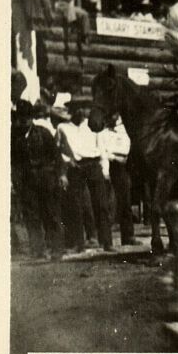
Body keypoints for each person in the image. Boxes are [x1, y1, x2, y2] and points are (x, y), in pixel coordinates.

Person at [12, 101, 66, 259]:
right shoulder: (13, 137)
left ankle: (56, 249)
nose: (23, 121)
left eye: (27, 117)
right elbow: (13, 162)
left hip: (46, 180)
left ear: (32, 118)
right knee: (31, 215)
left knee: (51, 214)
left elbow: (57, 156)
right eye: (21, 118)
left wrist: (62, 175)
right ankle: (38, 250)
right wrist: (15, 181)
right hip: (27, 181)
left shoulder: (43, 133)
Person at [57, 105, 114, 252]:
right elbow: (59, 149)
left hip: (93, 164)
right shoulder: (62, 127)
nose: (80, 111)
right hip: (76, 167)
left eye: (82, 108)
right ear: (70, 111)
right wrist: (66, 166)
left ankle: (106, 242)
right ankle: (78, 243)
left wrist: (105, 170)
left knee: (101, 203)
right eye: (76, 108)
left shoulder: (93, 125)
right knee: (75, 205)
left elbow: (102, 150)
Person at [100, 115, 138, 245]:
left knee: (125, 201)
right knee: (110, 202)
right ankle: (106, 238)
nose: (113, 118)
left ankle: (128, 236)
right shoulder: (103, 133)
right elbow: (104, 152)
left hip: (123, 167)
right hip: (110, 167)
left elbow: (126, 149)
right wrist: (115, 156)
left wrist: (115, 154)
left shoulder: (124, 131)